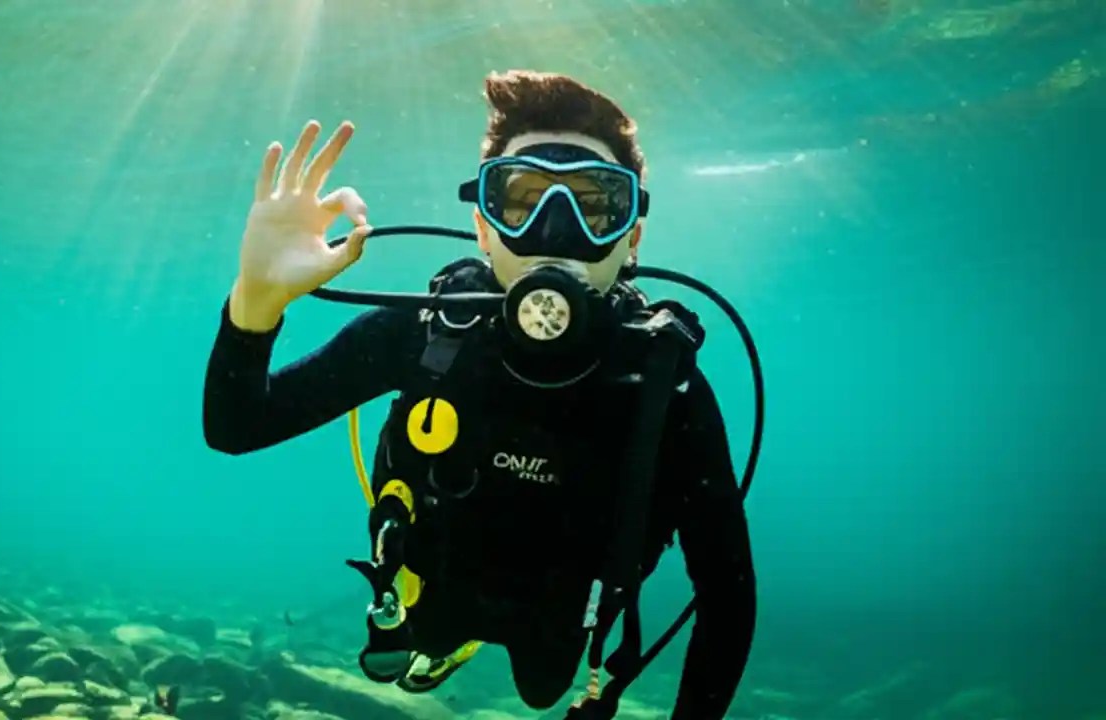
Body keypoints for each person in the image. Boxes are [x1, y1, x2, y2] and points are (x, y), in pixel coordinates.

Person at [203, 70, 757, 720]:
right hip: (437, 578)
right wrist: (255, 305)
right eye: (521, 201)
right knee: (432, 632)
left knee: (544, 687)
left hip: (562, 609)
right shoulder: (426, 335)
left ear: (632, 235)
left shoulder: (667, 385)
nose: (557, 231)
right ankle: (445, 644)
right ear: (483, 226)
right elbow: (237, 426)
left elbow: (728, 594)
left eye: (594, 203)